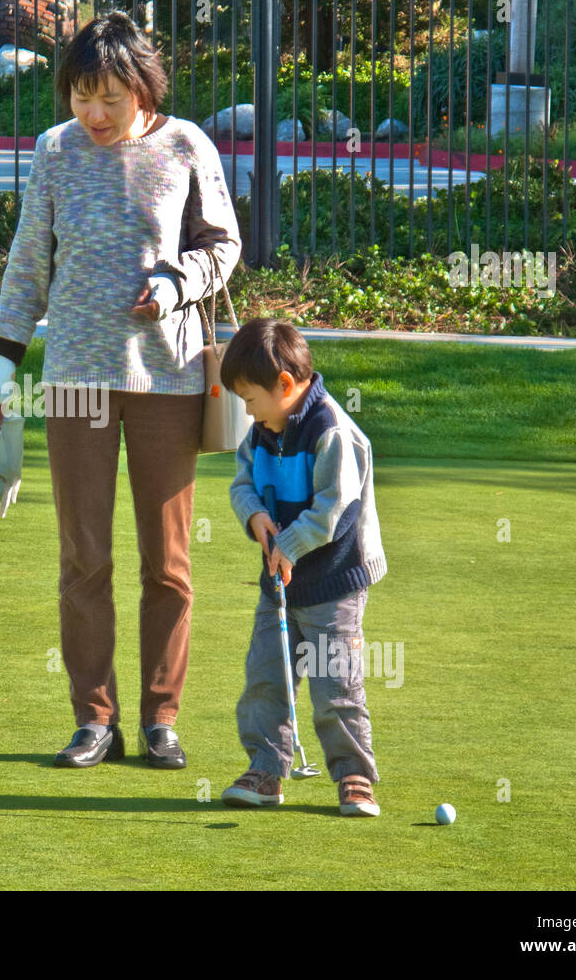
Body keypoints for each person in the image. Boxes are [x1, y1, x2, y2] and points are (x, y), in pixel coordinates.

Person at [0, 11, 242, 769]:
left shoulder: (188, 144)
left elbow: (223, 245)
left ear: (142, 90)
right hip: (75, 385)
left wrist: (176, 278)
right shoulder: (54, 152)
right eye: (79, 97)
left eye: (108, 100)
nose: (92, 115)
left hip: (169, 378)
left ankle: (162, 719)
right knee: (84, 559)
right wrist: (4, 361)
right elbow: (31, 261)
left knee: (169, 563)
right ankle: (96, 719)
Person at [218, 319, 388, 815]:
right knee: (266, 679)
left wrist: (289, 544)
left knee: (336, 686)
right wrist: (253, 514)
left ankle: (354, 775)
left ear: (286, 386)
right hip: (279, 586)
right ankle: (267, 770)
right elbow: (242, 484)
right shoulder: (261, 433)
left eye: (250, 399)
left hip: (334, 583)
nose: (246, 410)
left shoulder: (331, 430)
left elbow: (335, 508)